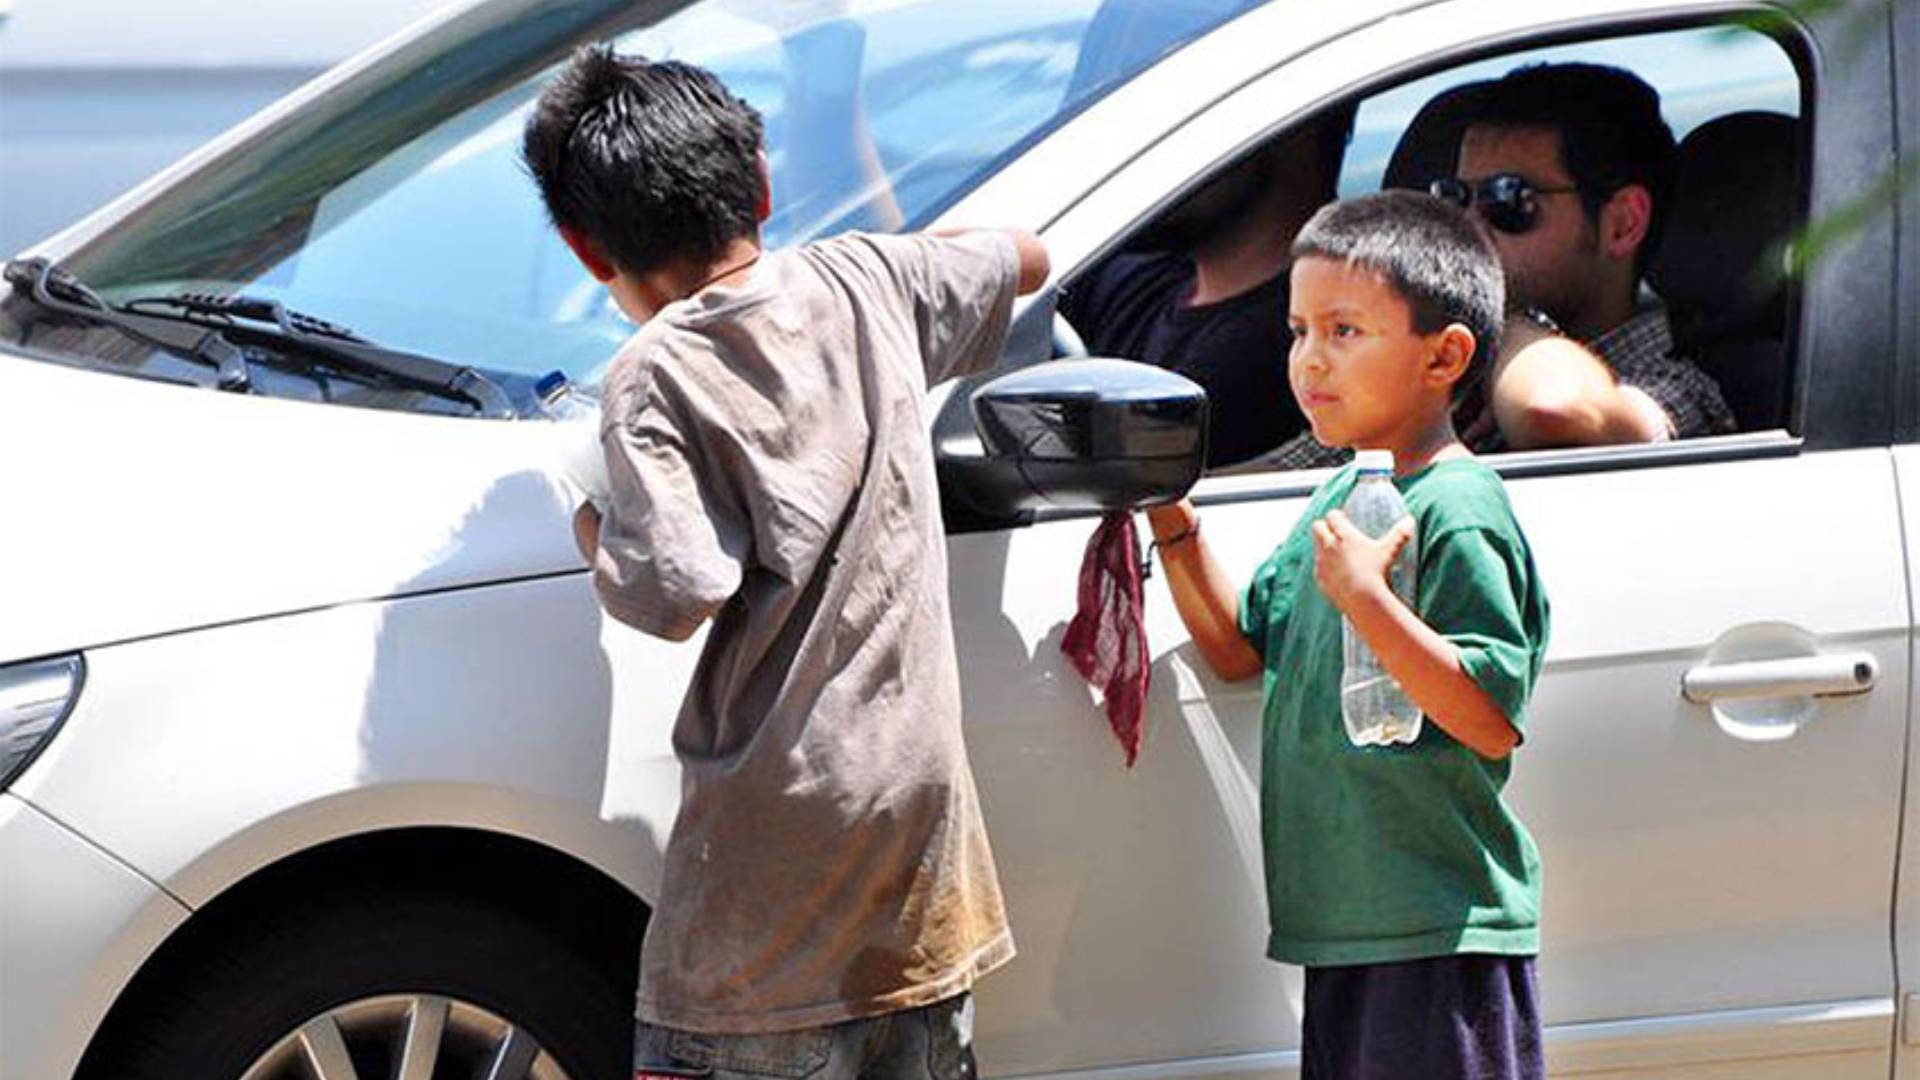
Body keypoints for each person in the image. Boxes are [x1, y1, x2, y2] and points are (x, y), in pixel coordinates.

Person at [520, 46, 1049, 1076]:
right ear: (760, 184)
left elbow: (674, 592)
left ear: (589, 252)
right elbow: (1026, 255)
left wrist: (590, 524)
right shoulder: (869, 278)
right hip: (918, 855)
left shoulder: (653, 374)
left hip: (767, 883)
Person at [1147, 191, 1550, 1078]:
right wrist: (1173, 523)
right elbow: (1241, 647)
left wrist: (1373, 603)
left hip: (1438, 931)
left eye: (1343, 332)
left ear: (1444, 356)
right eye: (1298, 331)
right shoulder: (1341, 496)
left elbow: (1489, 715)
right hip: (1347, 929)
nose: (1308, 362)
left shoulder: (1459, 506)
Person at [1253, 62, 1733, 472]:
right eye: (1454, 199)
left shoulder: (1677, 386)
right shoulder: (1438, 371)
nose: (1468, 225)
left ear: (1622, 224)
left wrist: (1494, 318)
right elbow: (1261, 483)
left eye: (1508, 198)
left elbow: (1554, 410)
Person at [1058, 110, 1351, 467]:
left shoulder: (1270, 353)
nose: (1146, 158)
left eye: (1178, 134)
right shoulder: (1137, 280)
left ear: (1289, 132)